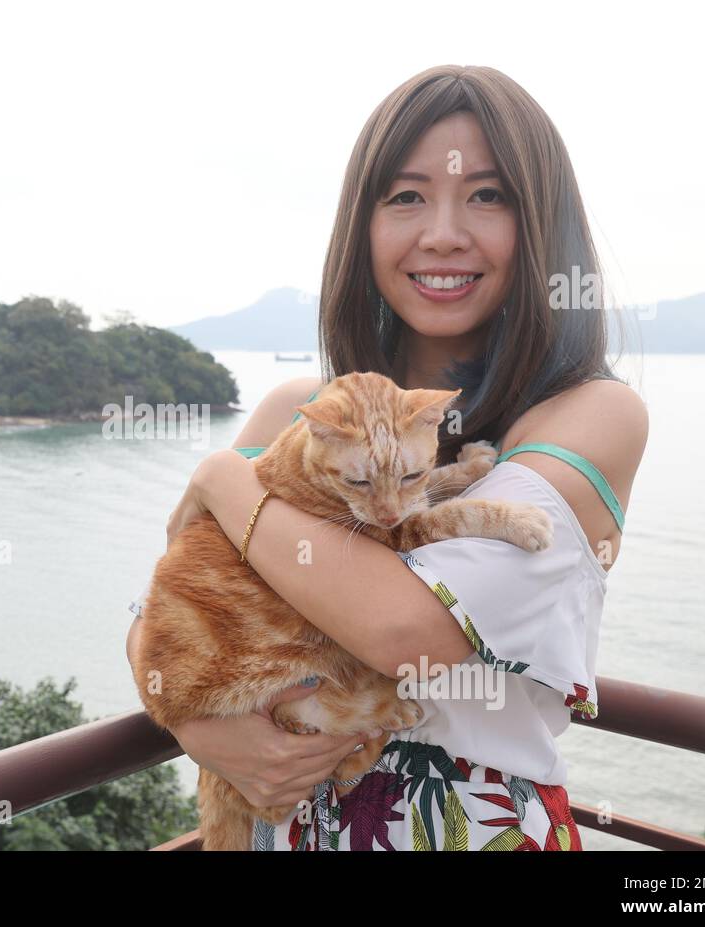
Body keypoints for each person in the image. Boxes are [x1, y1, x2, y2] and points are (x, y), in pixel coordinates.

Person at [125, 64, 648, 851]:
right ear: (361, 226)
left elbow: (409, 632)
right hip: (281, 826)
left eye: (488, 194)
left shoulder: (590, 414)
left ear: (541, 224)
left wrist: (222, 481)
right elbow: (155, 621)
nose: (442, 231)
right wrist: (209, 735)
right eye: (405, 196)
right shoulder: (297, 411)